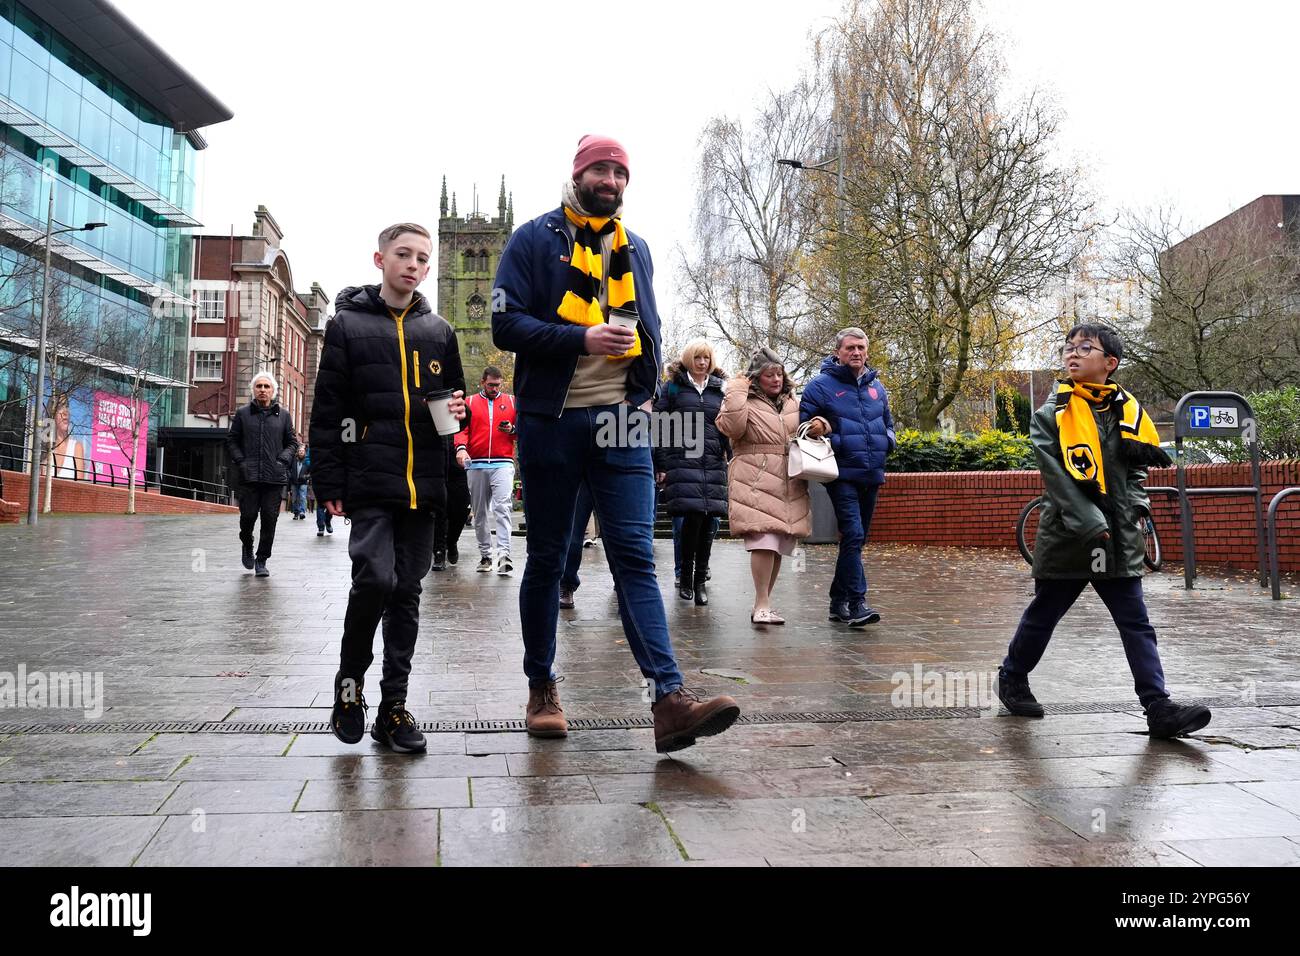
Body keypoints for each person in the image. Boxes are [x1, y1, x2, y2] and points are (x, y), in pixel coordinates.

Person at [492, 134, 739, 753]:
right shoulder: (532, 239)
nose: (612, 179)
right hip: (552, 418)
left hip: (624, 420)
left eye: (620, 171)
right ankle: (542, 685)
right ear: (578, 174)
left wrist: (649, 392)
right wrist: (580, 340)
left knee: (633, 555)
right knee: (549, 558)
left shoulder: (638, 249)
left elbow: (651, 328)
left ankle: (669, 698)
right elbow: (504, 323)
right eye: (600, 168)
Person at [995, 323, 1212, 740]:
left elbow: (1135, 470)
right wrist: (1090, 522)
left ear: (1109, 363)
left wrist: (1139, 505)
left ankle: (1157, 706)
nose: (1072, 354)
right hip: (1069, 536)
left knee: (1136, 622)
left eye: (1085, 348)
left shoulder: (1128, 410)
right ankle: (1012, 677)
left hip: (1121, 535)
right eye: (1069, 348)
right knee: (1045, 613)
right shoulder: (1051, 413)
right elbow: (1055, 478)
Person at [310, 222, 466, 753]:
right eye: (404, 254)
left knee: (407, 593)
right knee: (374, 579)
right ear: (380, 259)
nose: (414, 265)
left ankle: (393, 710)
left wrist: (455, 422)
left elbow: (450, 411)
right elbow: (328, 411)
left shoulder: (439, 331)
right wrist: (328, 478)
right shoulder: (347, 326)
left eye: (423, 258)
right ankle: (348, 689)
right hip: (370, 480)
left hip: (423, 485)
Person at [799, 327, 895, 627]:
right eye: (850, 348)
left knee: (857, 539)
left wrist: (888, 441)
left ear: (867, 351)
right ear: (838, 352)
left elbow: (888, 424)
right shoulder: (820, 387)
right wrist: (839, 441)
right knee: (852, 534)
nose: (856, 353)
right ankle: (857, 602)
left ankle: (837, 602)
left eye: (861, 348)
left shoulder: (877, 387)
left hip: (872, 472)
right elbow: (805, 431)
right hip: (840, 474)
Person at [716, 347, 810, 625]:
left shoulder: (792, 401)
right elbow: (731, 427)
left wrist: (821, 424)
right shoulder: (742, 399)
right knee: (763, 539)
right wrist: (735, 389)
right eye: (769, 374)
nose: (776, 379)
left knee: (779, 540)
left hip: (788, 478)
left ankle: (764, 603)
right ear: (755, 378)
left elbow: (807, 426)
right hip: (754, 475)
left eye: (779, 373)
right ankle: (761, 604)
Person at [654, 340, 729, 606]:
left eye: (706, 358)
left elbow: (728, 424)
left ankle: (700, 580)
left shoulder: (720, 389)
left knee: (710, 521)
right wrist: (661, 463)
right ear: (689, 359)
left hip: (713, 461)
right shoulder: (673, 387)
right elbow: (659, 426)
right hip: (683, 460)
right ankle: (686, 575)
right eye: (697, 358)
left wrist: (729, 454)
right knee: (694, 516)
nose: (702, 363)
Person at [226, 371, 297, 577]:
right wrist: (241, 461)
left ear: (273, 391)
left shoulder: (283, 416)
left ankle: (262, 559)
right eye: (259, 386)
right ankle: (247, 544)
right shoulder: (243, 414)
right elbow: (232, 440)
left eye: (267, 387)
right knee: (247, 517)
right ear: (253, 390)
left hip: (274, 478)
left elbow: (292, 443)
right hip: (248, 477)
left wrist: (282, 460)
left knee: (269, 519)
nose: (263, 390)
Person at [454, 366, 518, 575]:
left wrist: (513, 430)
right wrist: (461, 449)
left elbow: (523, 428)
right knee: (479, 512)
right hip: (477, 463)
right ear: (482, 382)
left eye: (497, 385)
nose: (494, 388)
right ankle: (485, 555)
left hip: (503, 462)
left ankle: (504, 555)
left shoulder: (511, 402)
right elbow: (461, 429)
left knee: (503, 507)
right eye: (490, 384)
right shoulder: (470, 402)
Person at [50, 397, 87, 480]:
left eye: (67, 407)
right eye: (60, 408)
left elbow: (80, 485)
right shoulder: (45, 448)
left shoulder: (76, 447)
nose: (65, 413)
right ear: (52, 413)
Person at [289, 442, 310, 519]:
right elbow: (289, 469)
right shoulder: (293, 460)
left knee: (302, 497)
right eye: (300, 451)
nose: (301, 452)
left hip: (303, 482)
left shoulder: (307, 461)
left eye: (302, 451)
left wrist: (306, 477)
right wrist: (290, 476)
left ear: (305, 452)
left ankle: (302, 512)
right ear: (298, 452)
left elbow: (311, 472)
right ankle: (296, 513)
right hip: (294, 482)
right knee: (294, 498)